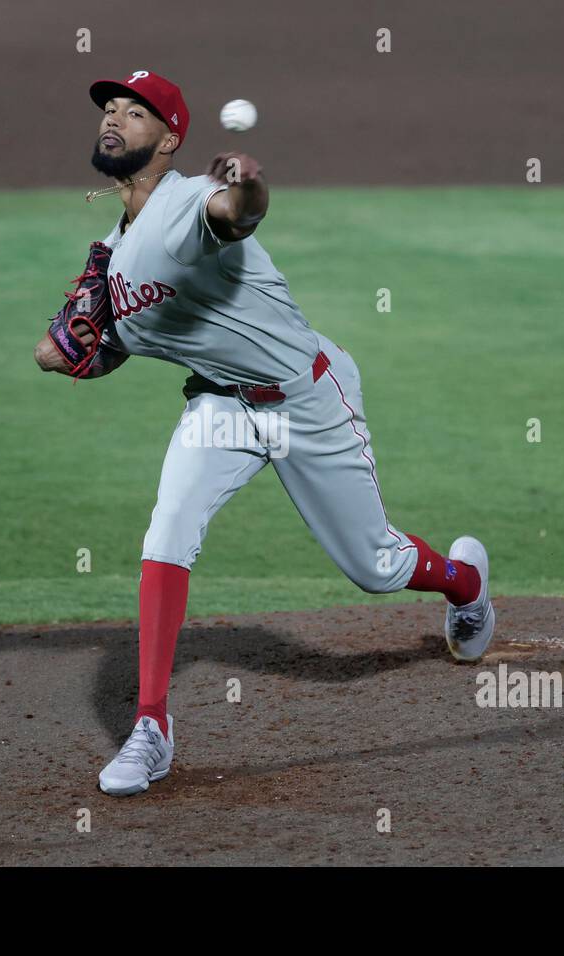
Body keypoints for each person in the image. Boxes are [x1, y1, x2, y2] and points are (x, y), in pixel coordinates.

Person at [34, 70, 495, 796]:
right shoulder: (112, 255)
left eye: (136, 111)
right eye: (110, 109)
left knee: (373, 565)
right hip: (221, 410)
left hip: (307, 399)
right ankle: (150, 728)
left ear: (170, 140)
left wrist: (246, 183)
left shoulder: (189, 203)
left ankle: (465, 584)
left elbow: (238, 213)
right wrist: (65, 351)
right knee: (167, 532)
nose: (115, 118)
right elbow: (81, 352)